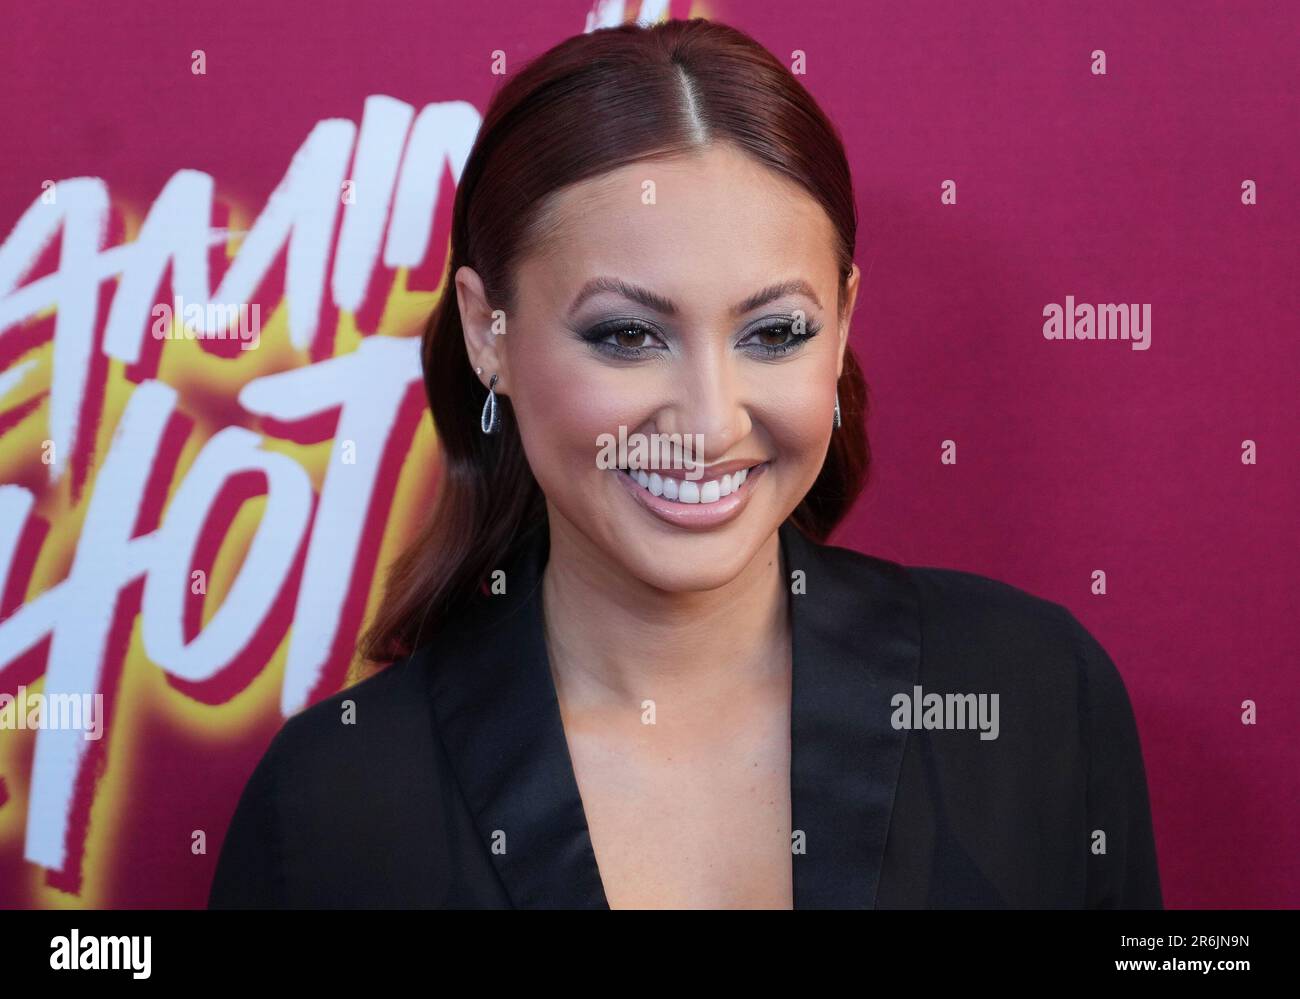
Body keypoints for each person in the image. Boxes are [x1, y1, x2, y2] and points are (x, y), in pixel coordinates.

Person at [209, 16, 1162, 909]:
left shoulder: (1032, 695)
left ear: (843, 327)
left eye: (776, 331)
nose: (708, 421)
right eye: (627, 334)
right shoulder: (331, 809)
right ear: (484, 329)